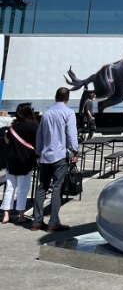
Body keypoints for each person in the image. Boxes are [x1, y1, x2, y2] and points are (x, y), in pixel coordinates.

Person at [32, 87, 79, 232]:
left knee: (42, 188)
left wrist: (39, 152)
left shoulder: (46, 113)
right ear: (67, 98)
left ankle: (36, 221)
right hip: (60, 155)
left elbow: (39, 135)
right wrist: (74, 150)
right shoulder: (68, 113)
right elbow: (71, 134)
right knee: (57, 188)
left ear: (55, 96)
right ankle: (53, 222)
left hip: (46, 155)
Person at [1, 104, 39, 225]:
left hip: (11, 160)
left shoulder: (13, 127)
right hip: (26, 160)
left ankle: (6, 215)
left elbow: (6, 140)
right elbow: (38, 143)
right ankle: (21, 215)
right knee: (23, 188)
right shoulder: (34, 126)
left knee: (10, 188)